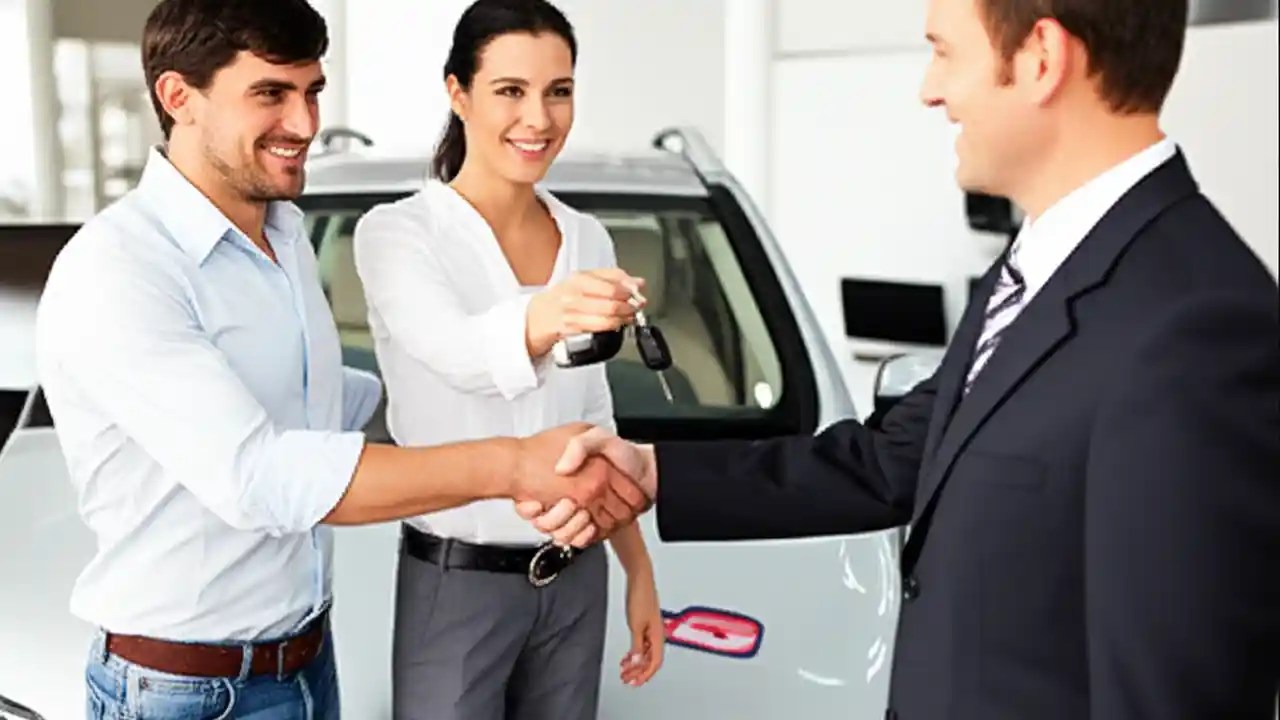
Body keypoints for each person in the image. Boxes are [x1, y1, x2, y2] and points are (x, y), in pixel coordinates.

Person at [529, 0, 1280, 718]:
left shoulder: (1194, 329)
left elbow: (1172, 696)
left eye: (945, 53)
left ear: (1041, 59)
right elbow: (891, 462)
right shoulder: (1043, 266)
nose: (930, 90)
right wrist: (652, 470)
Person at [33, 1, 644, 717]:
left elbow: (323, 403)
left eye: (312, 91)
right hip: (185, 692)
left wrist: (441, 400)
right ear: (178, 97)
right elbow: (262, 476)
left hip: (305, 663)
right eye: (271, 93)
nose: (304, 123)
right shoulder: (120, 267)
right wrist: (510, 462)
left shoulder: (283, 237)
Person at [350, 2, 664, 718]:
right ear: (458, 93)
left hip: (577, 581)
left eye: (559, 91)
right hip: (456, 585)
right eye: (510, 91)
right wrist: (552, 314)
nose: (539, 118)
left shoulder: (588, 239)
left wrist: (638, 567)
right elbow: (457, 354)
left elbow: (596, 421)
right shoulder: (397, 234)